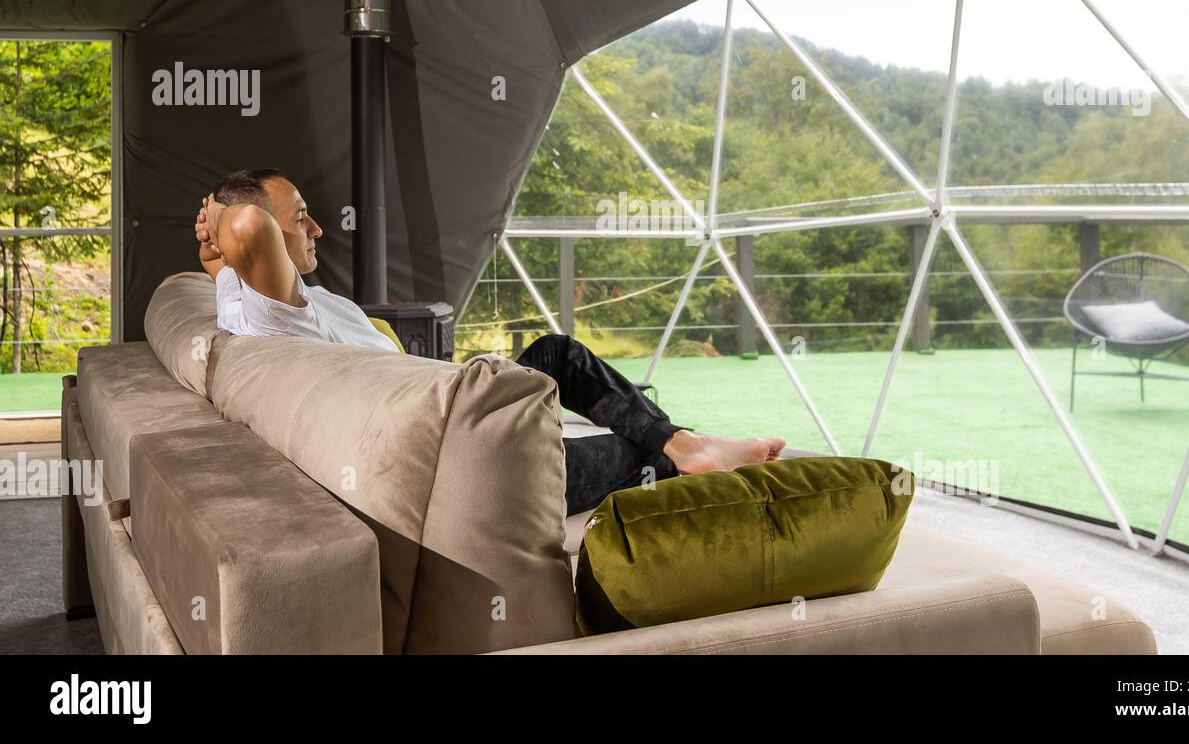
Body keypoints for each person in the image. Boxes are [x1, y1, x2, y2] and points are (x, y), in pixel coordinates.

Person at [195, 168, 786, 515]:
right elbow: (246, 227)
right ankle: (682, 456)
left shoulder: (245, 299)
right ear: (264, 234)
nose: (317, 227)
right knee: (636, 453)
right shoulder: (278, 316)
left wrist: (211, 233)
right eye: (299, 217)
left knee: (556, 352)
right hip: (465, 452)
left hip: (467, 407)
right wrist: (225, 214)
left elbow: (221, 255)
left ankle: (686, 444)